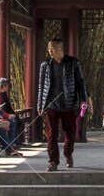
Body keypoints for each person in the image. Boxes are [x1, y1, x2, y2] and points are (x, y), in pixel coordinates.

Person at [36, 38, 87, 171]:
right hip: (51, 105)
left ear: (60, 49)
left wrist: (84, 100)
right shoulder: (45, 65)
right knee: (51, 134)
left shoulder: (73, 63)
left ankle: (68, 154)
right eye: (49, 49)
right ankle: (53, 161)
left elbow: (81, 83)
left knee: (70, 133)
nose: (50, 51)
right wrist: (40, 105)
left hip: (69, 104)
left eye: (52, 49)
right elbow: (41, 86)